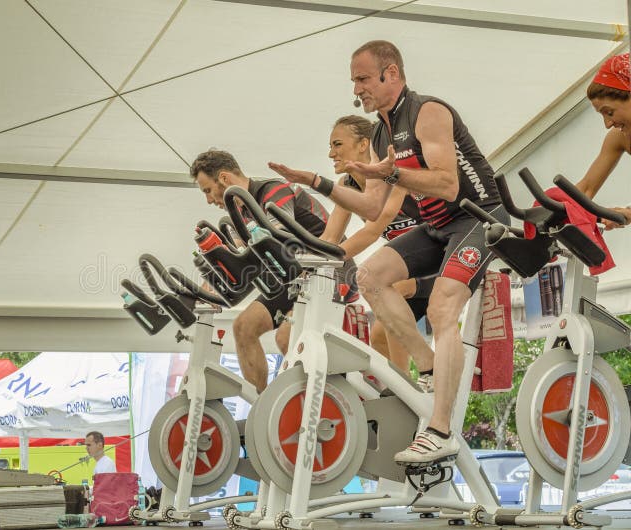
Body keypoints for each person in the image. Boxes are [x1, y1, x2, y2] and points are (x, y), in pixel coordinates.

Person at [276, 40, 507, 465]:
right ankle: (430, 367)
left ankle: (440, 431)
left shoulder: (428, 111)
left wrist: (392, 171)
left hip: (479, 217)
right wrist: (315, 181)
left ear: (392, 73)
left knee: (441, 309)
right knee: (369, 277)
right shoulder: (382, 131)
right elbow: (372, 208)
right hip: (436, 226)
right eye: (354, 81)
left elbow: (447, 184)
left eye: (363, 79)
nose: (357, 89)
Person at [269, 114, 435, 375]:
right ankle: (395, 388)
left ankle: (405, 385)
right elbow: (329, 238)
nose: (330, 153)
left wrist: (326, 260)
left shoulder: (392, 174)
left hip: (436, 260)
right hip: (406, 267)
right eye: (330, 146)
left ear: (363, 144)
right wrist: (304, 264)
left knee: (391, 288)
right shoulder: (347, 184)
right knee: (378, 336)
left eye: (337, 144)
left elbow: (372, 230)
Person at [191, 149, 358, 393]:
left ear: (224, 178)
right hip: (295, 275)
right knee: (243, 327)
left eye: (207, 190)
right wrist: (208, 287)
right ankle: (262, 403)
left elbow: (279, 238)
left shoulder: (273, 191)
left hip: (331, 269)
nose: (208, 200)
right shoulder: (238, 213)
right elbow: (241, 260)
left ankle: (316, 400)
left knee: (287, 336)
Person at [575, 52, 631, 228]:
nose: (607, 124)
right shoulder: (619, 137)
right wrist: (547, 209)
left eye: (609, 112)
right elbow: (585, 189)